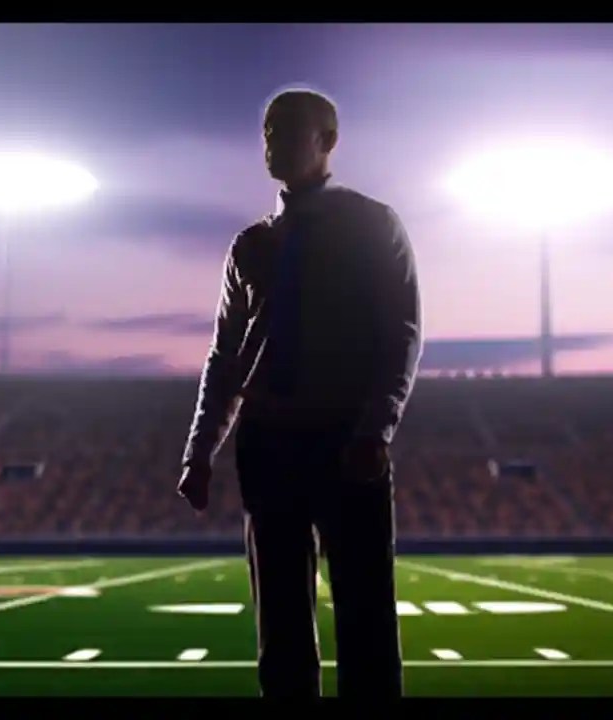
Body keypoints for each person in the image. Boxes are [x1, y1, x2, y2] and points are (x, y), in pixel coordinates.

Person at [177, 87, 423, 698]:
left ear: (328, 141)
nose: (272, 143)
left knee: (366, 623)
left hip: (347, 440)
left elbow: (402, 334)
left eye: (288, 130)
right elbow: (226, 355)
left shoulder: (374, 225)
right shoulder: (250, 245)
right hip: (269, 446)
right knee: (281, 630)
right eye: (267, 131)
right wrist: (200, 449)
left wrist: (376, 429)